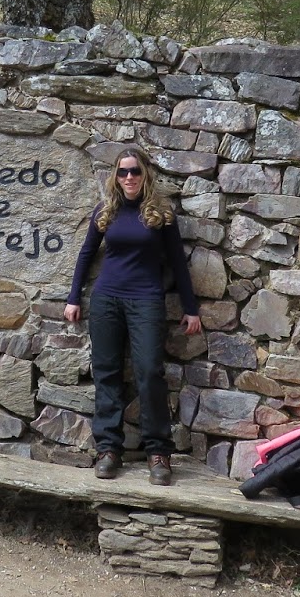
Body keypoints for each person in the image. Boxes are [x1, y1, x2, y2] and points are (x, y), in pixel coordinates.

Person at [64, 146, 202, 486]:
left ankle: (159, 452)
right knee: (107, 372)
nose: (129, 178)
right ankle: (108, 450)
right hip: (106, 299)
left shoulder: (161, 214)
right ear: (115, 175)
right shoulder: (105, 211)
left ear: (146, 175)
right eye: (123, 172)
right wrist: (73, 298)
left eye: (135, 171)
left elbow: (178, 263)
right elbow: (86, 255)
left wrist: (191, 308)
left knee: (149, 372)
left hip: (146, 301)